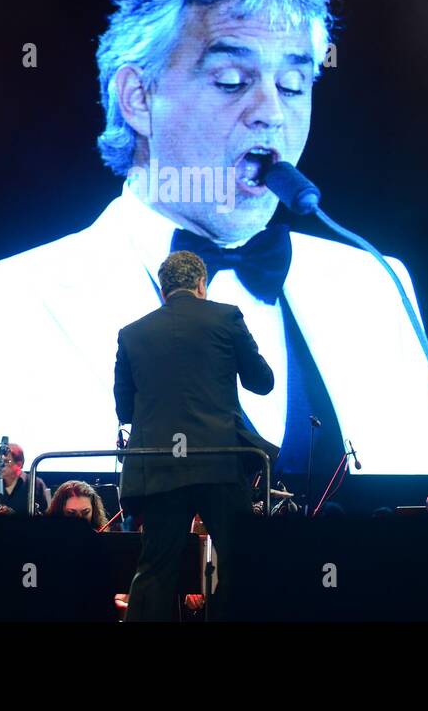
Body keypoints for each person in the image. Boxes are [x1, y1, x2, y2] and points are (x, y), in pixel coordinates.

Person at [0, 0, 428, 475]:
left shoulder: (377, 284)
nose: (272, 112)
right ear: (138, 98)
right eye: (231, 80)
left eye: (294, 84)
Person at [115, 250, 276, 621]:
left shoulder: (132, 333)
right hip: (218, 463)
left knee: (156, 567)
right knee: (241, 560)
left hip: (158, 466)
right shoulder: (226, 317)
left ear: (163, 289)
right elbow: (262, 382)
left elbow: (125, 409)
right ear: (202, 284)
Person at [0, 443, 50, 516]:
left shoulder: (35, 484)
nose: (1, 465)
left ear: (19, 463)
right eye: (0, 461)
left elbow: (46, 513)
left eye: (7, 461)